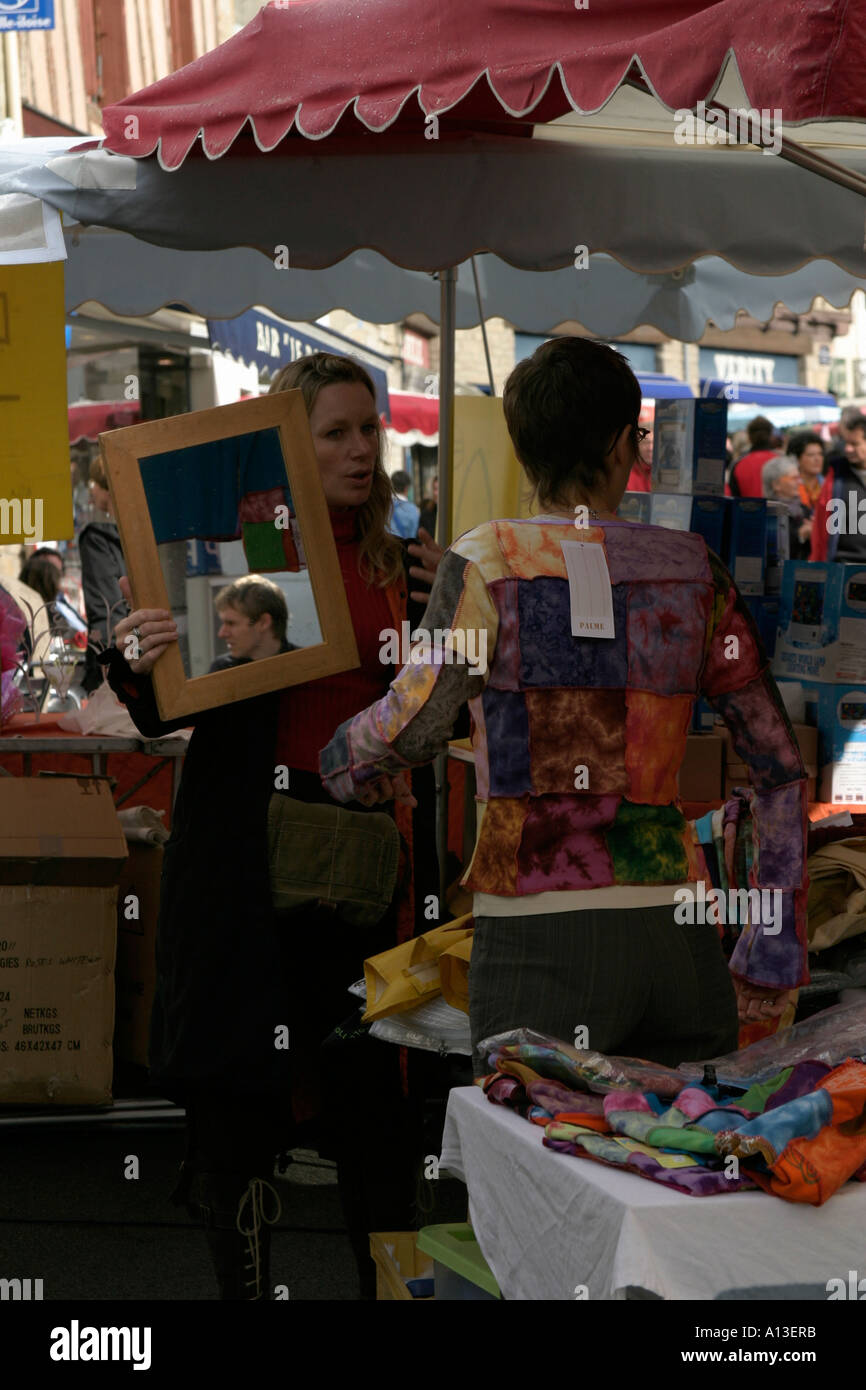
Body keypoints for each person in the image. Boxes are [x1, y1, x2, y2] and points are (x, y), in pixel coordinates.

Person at [321, 337, 809, 1077]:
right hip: (676, 933)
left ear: (524, 453)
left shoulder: (486, 562)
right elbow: (776, 767)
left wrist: (342, 764)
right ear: (623, 446)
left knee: (533, 1171)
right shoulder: (691, 569)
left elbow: (413, 724)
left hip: (538, 933)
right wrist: (771, 944)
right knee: (682, 1173)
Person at [101, 353, 447, 1302]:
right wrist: (141, 656)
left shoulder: (404, 568)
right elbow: (167, 710)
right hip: (245, 877)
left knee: (377, 1119)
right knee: (239, 1111)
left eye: (369, 429)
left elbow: (435, 717)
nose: (360, 450)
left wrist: (447, 625)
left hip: (361, 877)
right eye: (334, 431)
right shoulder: (251, 547)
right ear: (292, 441)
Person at [78, 456, 128, 693]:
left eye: (94, 485)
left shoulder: (96, 539)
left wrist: (109, 666)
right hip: (139, 647)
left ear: (106, 487)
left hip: (116, 657)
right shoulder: (134, 532)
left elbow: (107, 609)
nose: (92, 492)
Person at [811, 411, 866, 563]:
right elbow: (821, 523)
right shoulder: (836, 474)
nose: (847, 449)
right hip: (844, 565)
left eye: (854, 444)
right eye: (845, 443)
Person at [210, 574, 297, 670]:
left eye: (231, 623)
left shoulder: (306, 663)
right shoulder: (221, 670)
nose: (222, 634)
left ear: (263, 622)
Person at [762, 455, 810, 559]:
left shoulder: (804, 510)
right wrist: (800, 535)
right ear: (776, 485)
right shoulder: (768, 513)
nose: (799, 482)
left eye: (799, 477)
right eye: (794, 478)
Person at [727, 416, 780, 497]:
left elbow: (733, 496)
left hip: (745, 509)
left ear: (749, 437)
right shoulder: (782, 461)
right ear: (771, 435)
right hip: (776, 509)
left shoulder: (738, 463)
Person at [387, 468, 420, 538]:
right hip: (405, 547)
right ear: (407, 488)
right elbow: (413, 535)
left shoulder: (382, 507)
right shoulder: (413, 510)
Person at [625, 422, 652, 492]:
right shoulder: (626, 476)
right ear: (636, 446)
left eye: (654, 443)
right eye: (645, 443)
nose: (650, 448)